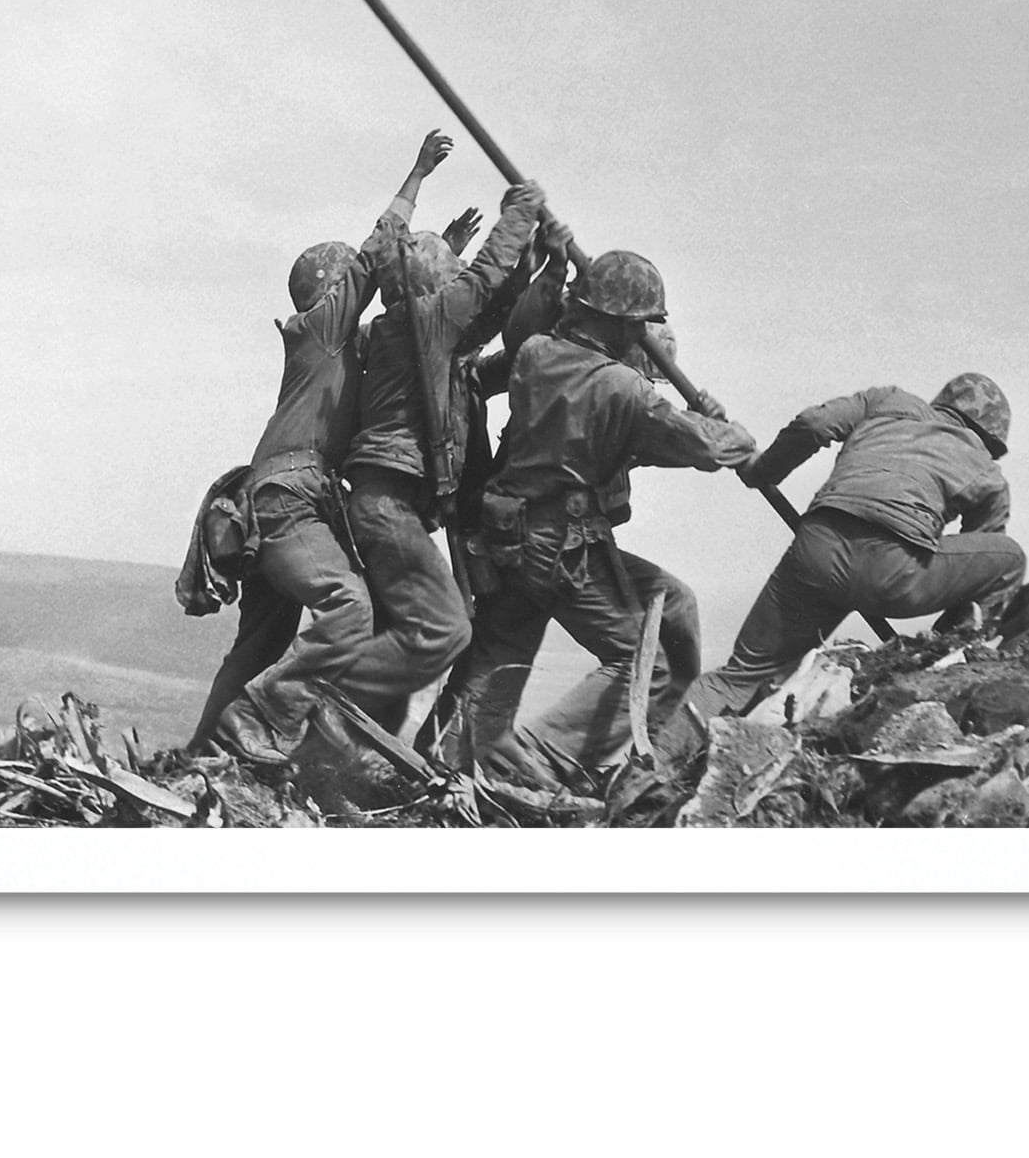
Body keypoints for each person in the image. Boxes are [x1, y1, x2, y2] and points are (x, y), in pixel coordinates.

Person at [177, 130, 457, 760]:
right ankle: (262, 721)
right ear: (329, 291)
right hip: (290, 499)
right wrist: (417, 175)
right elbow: (377, 249)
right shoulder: (321, 329)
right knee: (349, 607)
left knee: (259, 646)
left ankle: (202, 756)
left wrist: (438, 260)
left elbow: (399, 296)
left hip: (282, 498)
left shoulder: (335, 349)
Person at [459, 251, 756, 779]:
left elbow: (615, 433)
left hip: (513, 535)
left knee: (670, 605)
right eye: (639, 322)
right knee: (647, 664)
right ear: (619, 321)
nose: (642, 333)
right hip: (561, 545)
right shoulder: (623, 388)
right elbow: (709, 449)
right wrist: (728, 429)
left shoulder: (537, 353)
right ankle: (546, 758)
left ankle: (466, 758)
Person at [664, 372, 1027, 753]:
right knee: (1009, 558)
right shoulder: (989, 475)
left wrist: (763, 471)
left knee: (739, 675)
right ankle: (950, 662)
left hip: (817, 550)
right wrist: (945, 639)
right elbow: (976, 569)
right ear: (990, 437)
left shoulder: (888, 400)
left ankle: (654, 765)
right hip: (895, 573)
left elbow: (813, 425)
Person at [334, 179, 550, 731]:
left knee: (401, 642)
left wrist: (539, 266)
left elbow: (492, 319)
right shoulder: (423, 323)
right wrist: (519, 213)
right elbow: (482, 285)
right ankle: (312, 699)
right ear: (435, 287)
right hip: (388, 506)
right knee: (446, 630)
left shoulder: (415, 339)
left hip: (390, 505)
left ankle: (342, 748)